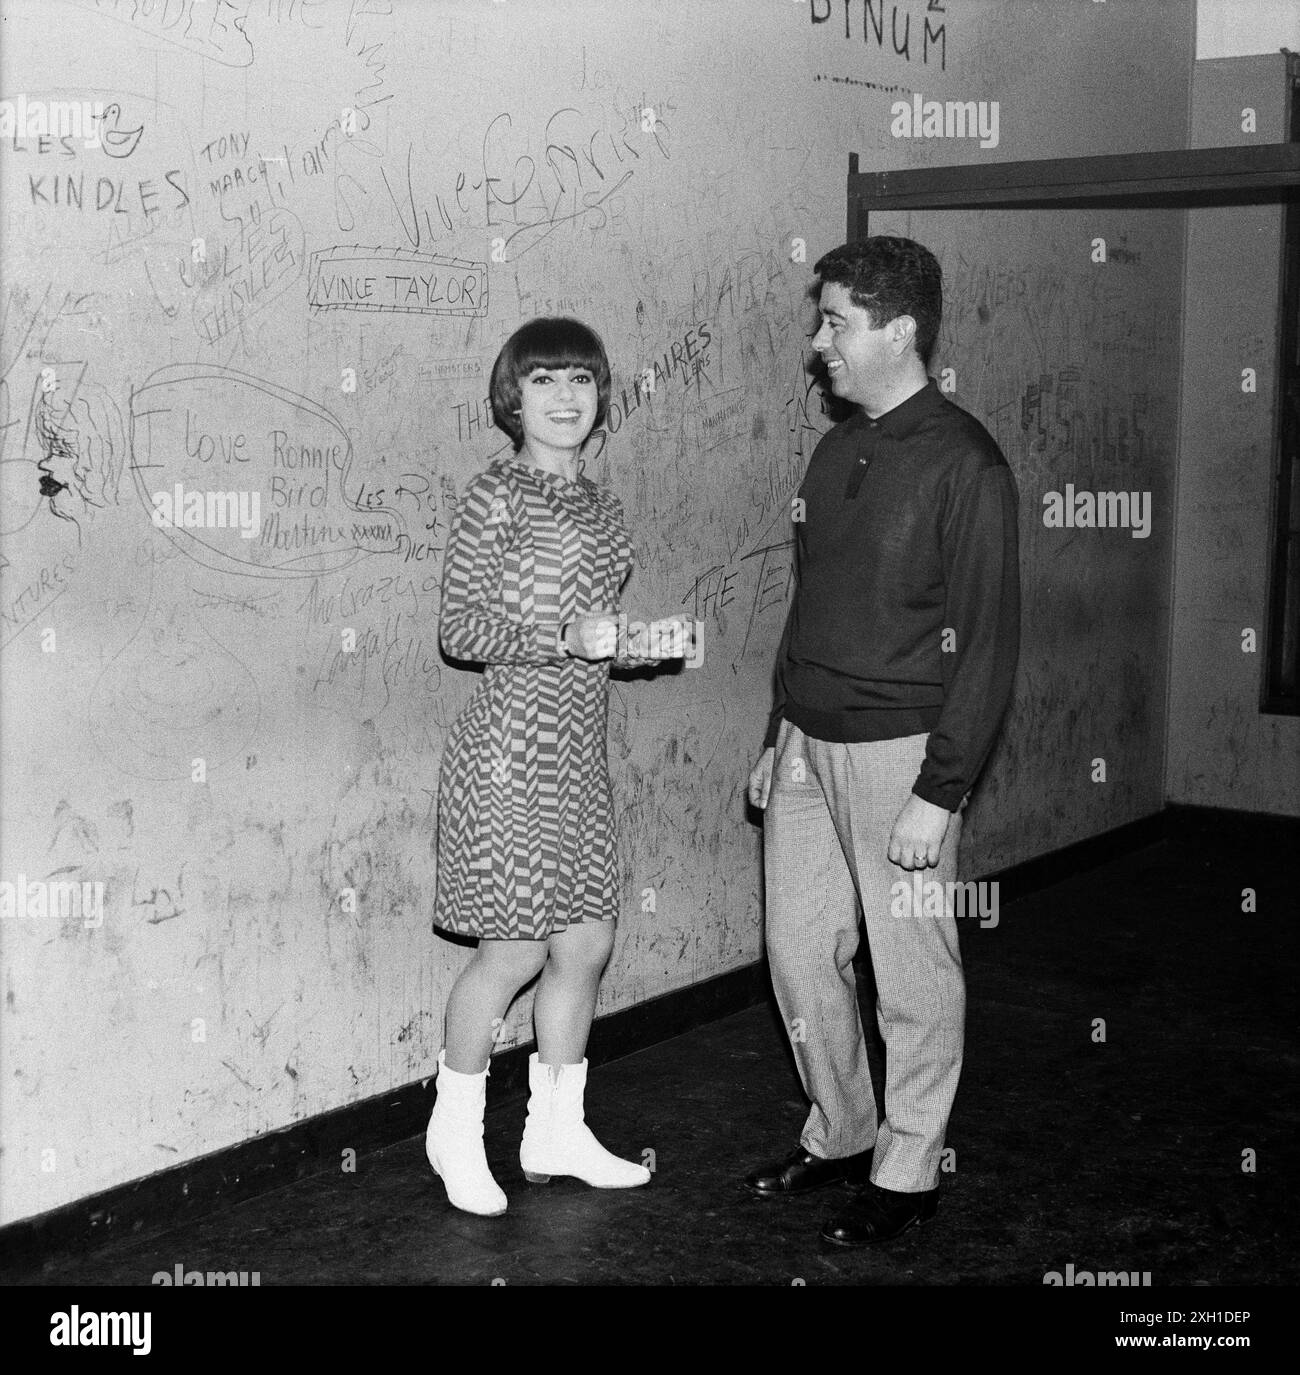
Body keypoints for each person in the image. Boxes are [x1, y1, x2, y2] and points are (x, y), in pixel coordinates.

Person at [744, 237, 1020, 1246]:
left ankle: (908, 1171)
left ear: (897, 331)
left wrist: (939, 791)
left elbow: (988, 646)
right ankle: (842, 1130)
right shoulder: (833, 448)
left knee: (911, 970)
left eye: (835, 323)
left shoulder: (966, 463)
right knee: (797, 956)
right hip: (809, 745)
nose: (818, 343)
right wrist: (780, 732)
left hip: (904, 752)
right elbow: (810, 605)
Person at [426, 317, 680, 1216]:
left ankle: (555, 1130)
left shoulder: (603, 507)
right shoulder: (494, 495)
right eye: (544, 382)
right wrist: (562, 636)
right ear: (514, 397)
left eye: (580, 379)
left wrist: (634, 646)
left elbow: (591, 641)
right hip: (506, 751)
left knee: (587, 941)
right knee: (515, 948)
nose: (565, 397)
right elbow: (461, 629)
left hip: (575, 748)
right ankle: (454, 1131)